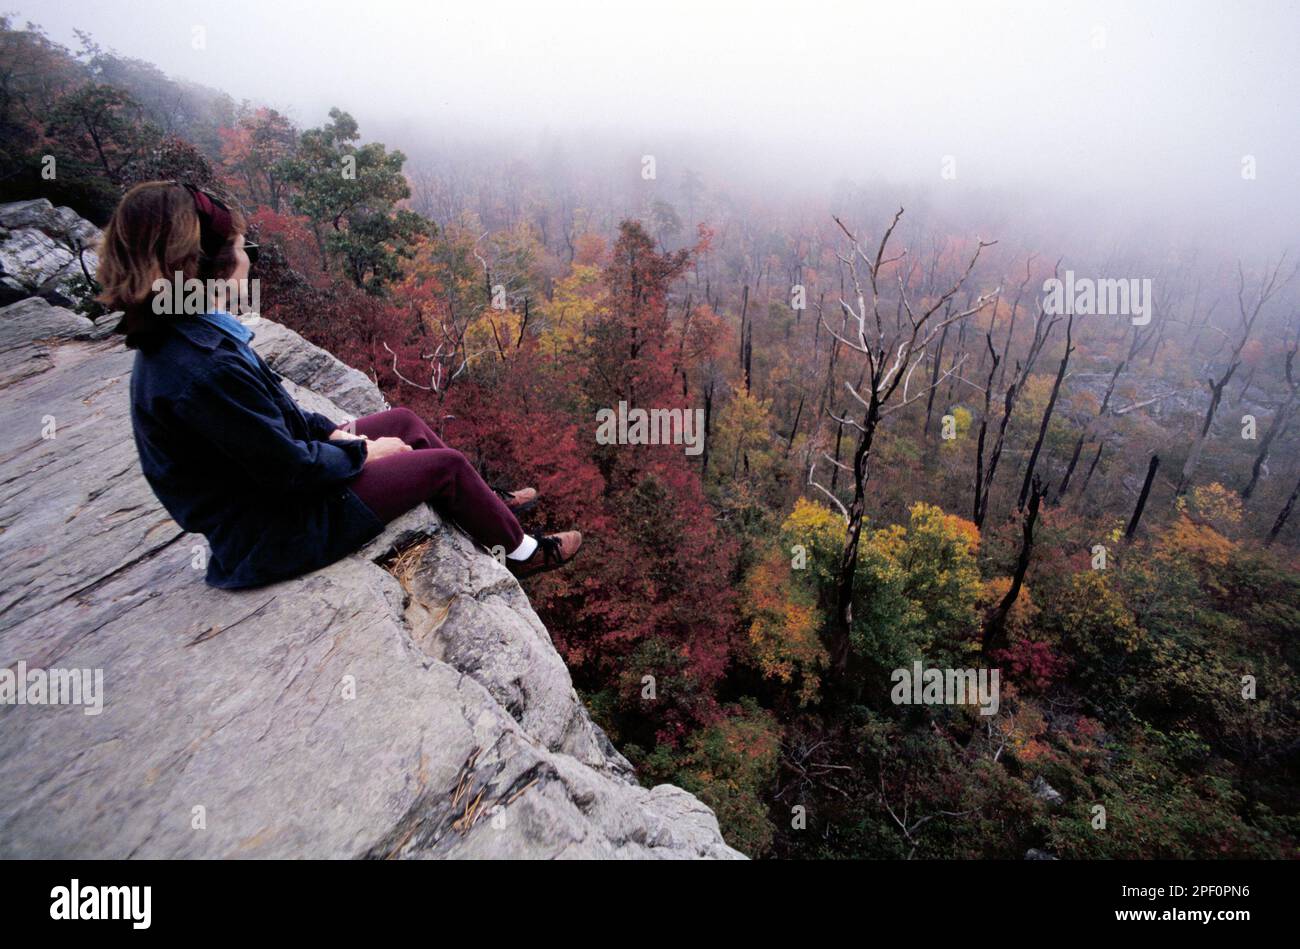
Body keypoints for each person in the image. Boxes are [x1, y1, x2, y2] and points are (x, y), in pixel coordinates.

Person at [96, 180, 581, 589]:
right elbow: (288, 472)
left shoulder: (191, 333)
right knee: (446, 467)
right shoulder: (203, 369)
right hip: (276, 532)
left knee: (403, 421)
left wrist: (332, 433)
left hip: (272, 502)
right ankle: (523, 552)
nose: (249, 263)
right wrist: (364, 454)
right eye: (247, 252)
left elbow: (277, 418)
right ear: (207, 267)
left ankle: (489, 506)